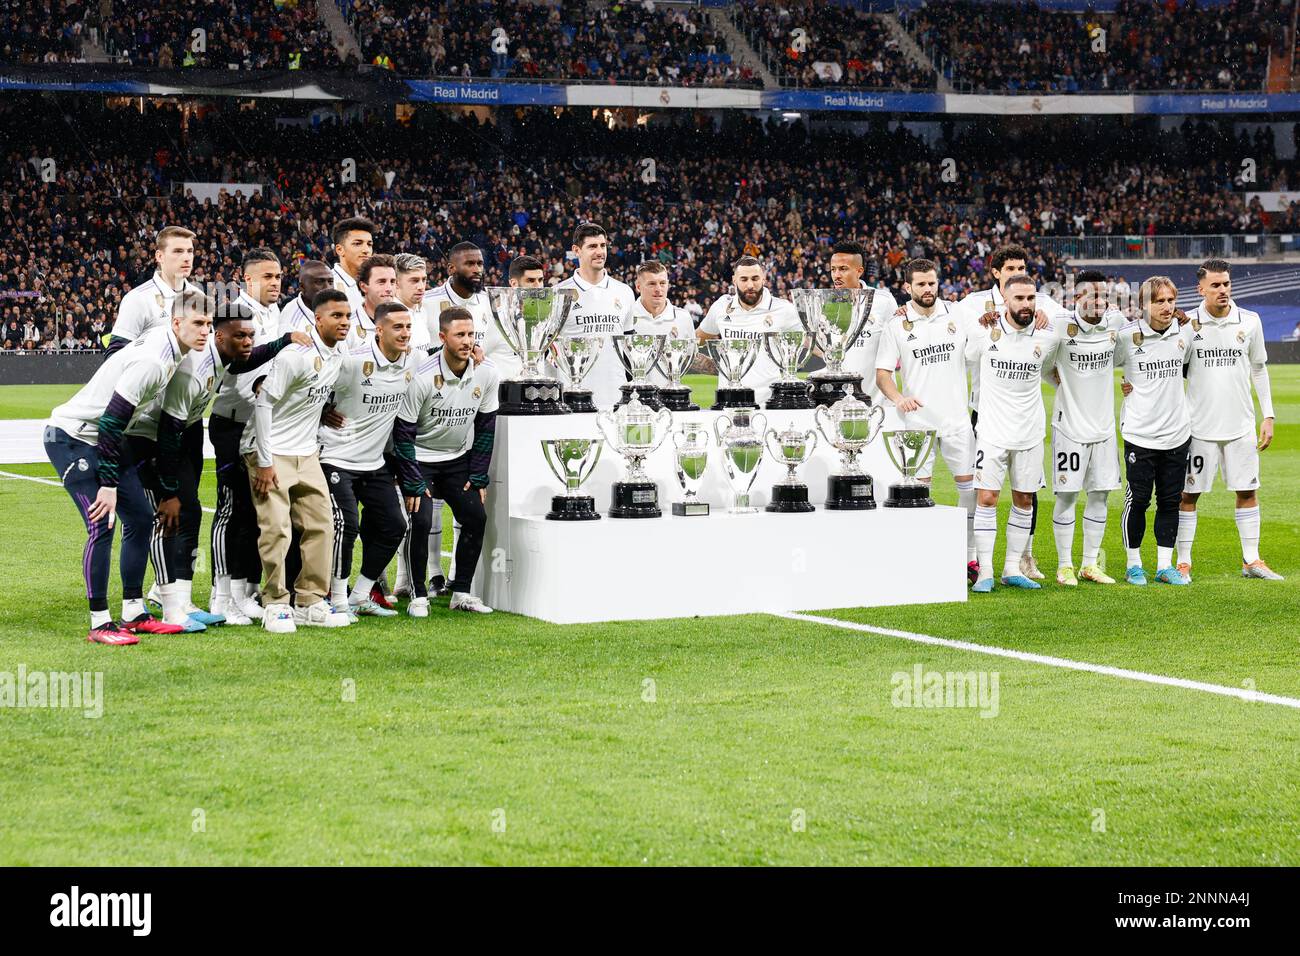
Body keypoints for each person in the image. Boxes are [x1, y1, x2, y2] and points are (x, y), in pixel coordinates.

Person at [129, 298, 309, 628]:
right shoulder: (194, 370)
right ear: (220, 336)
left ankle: (180, 598)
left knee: (191, 511)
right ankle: (154, 600)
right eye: (240, 336)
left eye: (251, 335)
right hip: (153, 436)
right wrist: (168, 488)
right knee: (161, 515)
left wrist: (285, 340)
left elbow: (245, 359)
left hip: (186, 430)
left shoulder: (221, 356)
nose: (248, 343)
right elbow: (168, 430)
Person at [44, 294, 211, 644]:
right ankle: (100, 621)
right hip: (72, 437)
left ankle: (134, 611)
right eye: (198, 323)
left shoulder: (176, 355)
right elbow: (109, 422)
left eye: (209, 324)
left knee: (139, 518)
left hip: (106, 438)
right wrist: (108, 484)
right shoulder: (154, 361)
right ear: (176, 323)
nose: (205, 332)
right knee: (101, 523)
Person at [245, 289, 353, 632]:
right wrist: (263, 461)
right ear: (317, 319)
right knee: (276, 528)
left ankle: (310, 600)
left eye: (348, 316)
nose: (344, 322)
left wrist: (324, 416)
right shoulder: (296, 355)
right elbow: (264, 403)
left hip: (307, 452)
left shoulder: (339, 355)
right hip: (270, 450)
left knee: (322, 525)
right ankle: (275, 603)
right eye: (336, 316)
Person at [956, 244, 1058, 582]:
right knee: (983, 495)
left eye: (1031, 299)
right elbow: (954, 334)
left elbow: (1078, 325)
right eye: (1019, 298)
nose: (1026, 303)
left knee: (1025, 497)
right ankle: (979, 566)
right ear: (997, 277)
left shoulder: (1049, 330)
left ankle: (1015, 566)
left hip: (1029, 429)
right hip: (988, 421)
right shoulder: (978, 320)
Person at [1177, 259, 1281, 581]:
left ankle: (1252, 560)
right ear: (1201, 289)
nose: (1223, 290)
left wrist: (1268, 415)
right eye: (1216, 285)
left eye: (1226, 284)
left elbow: (1259, 368)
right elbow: (1172, 371)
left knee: (1247, 491)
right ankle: (1183, 563)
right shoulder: (1187, 324)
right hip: (1199, 428)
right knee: (1188, 495)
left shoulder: (1249, 321)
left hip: (1240, 427)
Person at [874, 258, 977, 579]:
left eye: (932, 283)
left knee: (970, 490)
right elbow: (883, 374)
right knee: (919, 493)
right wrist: (898, 398)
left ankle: (970, 556)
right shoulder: (896, 325)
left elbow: (990, 325)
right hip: (917, 423)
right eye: (920, 284)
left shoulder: (958, 314)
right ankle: (925, 558)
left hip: (958, 420)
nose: (928, 289)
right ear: (908, 287)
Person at [393, 307, 498, 616]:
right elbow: (403, 433)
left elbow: (486, 425)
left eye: (471, 335)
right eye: (459, 335)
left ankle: (461, 593)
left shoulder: (486, 372)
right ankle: (418, 595)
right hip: (421, 459)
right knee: (421, 520)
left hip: (456, 460)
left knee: (476, 518)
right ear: (442, 337)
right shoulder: (423, 377)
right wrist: (411, 480)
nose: (467, 341)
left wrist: (478, 474)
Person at [321, 301, 415, 619]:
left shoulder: (413, 359)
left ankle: (361, 595)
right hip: (335, 457)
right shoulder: (352, 362)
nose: (404, 333)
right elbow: (316, 387)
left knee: (394, 525)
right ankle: (337, 599)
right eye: (397, 327)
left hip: (374, 463)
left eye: (408, 327)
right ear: (379, 329)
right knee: (346, 526)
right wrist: (323, 411)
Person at [1045, 270, 1124, 586]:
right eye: (1092, 295)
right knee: (1066, 496)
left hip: (1103, 428)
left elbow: (1123, 358)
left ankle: (1090, 564)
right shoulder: (1062, 326)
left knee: (1100, 495)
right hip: (1069, 428)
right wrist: (1058, 382)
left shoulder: (1115, 324)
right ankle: (1064, 566)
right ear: (1077, 297)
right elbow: (1042, 365)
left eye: (1104, 295)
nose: (1100, 301)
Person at [1113, 277, 1194, 586]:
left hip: (1177, 433)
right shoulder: (1126, 337)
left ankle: (1164, 565)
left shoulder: (1184, 332)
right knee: (1138, 501)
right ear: (1143, 305)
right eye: (1159, 301)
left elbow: (1187, 369)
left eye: (1170, 301)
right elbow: (1095, 367)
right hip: (1140, 434)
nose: (1166, 307)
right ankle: (1134, 565)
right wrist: (1124, 386)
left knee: (1171, 501)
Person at [697, 256, 800, 407]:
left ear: (763, 279)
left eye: (755, 278)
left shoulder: (784, 309)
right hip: (728, 404)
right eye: (744, 279)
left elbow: (810, 342)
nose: (750, 285)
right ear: (734, 280)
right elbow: (697, 339)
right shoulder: (721, 307)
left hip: (768, 405)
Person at [556, 222, 634, 410]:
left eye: (603, 245)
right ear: (577, 250)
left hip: (616, 395)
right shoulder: (558, 294)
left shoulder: (624, 292)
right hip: (573, 398)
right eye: (592, 246)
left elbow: (629, 349)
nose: (600, 251)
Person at [106, 225, 201, 354]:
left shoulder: (199, 296)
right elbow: (115, 357)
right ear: (159, 256)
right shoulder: (138, 299)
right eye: (178, 251)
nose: (187, 257)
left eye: (190, 251)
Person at [831, 239, 897, 406]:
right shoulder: (825, 304)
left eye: (843, 269)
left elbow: (898, 338)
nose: (836, 275)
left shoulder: (883, 301)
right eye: (833, 269)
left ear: (859, 271)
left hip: (879, 403)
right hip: (839, 405)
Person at [623, 260, 695, 388]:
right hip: (634, 400)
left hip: (670, 398)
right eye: (651, 284)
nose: (658, 289)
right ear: (638, 287)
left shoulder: (683, 317)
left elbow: (691, 356)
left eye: (662, 283)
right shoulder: (625, 317)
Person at [344, 254, 397, 350]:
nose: (389, 288)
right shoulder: (347, 328)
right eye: (381, 282)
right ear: (363, 287)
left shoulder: (405, 321)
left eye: (392, 282)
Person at [331, 216, 375, 311]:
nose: (366, 250)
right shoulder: (327, 284)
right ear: (340, 250)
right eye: (357, 243)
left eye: (369, 244)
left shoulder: (376, 283)